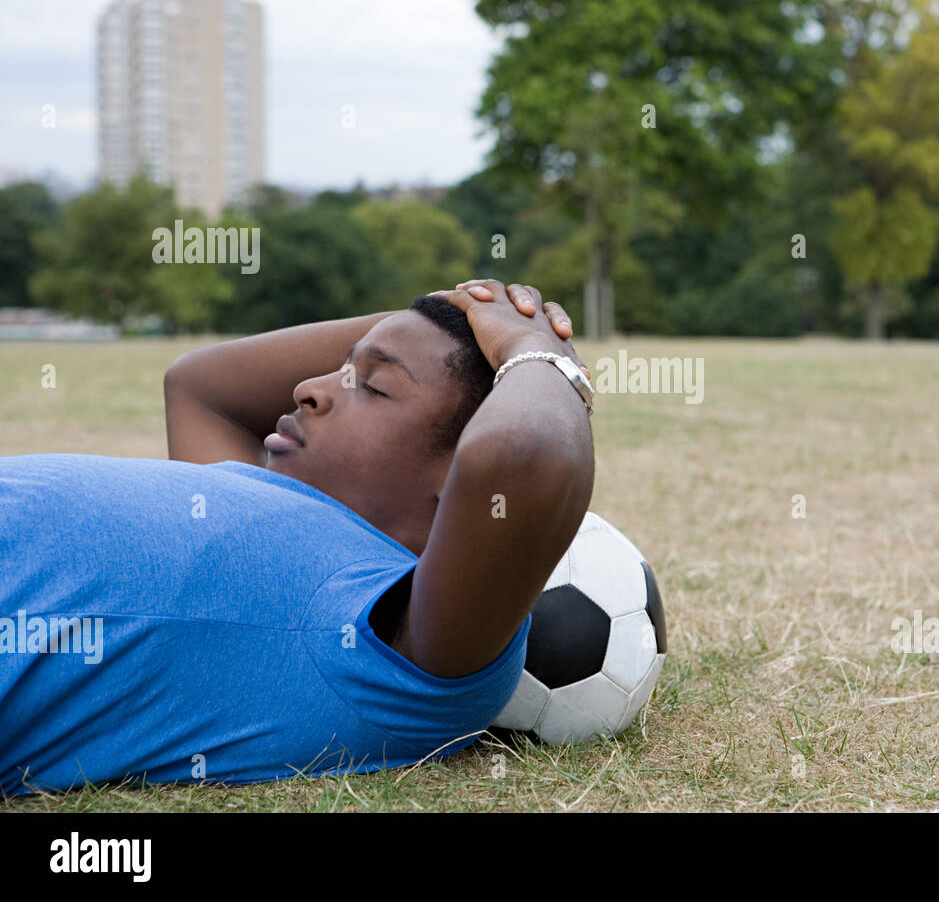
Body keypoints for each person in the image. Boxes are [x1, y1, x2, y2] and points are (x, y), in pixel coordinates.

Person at [0, 279, 594, 797]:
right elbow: (200, 386)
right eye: (341, 369)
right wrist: (453, 309)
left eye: (374, 386)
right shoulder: (247, 492)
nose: (307, 387)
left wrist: (533, 348)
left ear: (456, 479)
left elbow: (525, 455)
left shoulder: (402, 635)